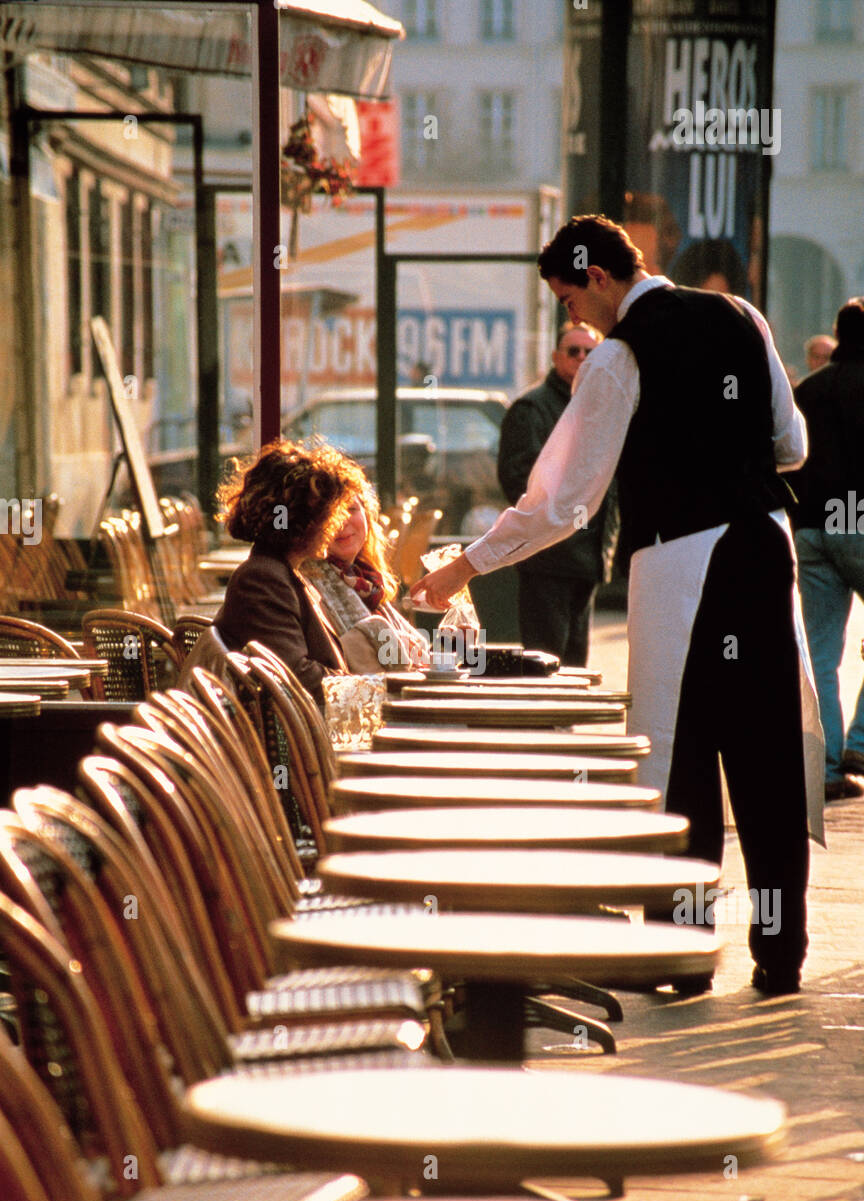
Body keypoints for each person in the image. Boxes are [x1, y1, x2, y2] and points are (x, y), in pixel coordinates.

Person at [412, 213, 823, 996]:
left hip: (678, 561)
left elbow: (562, 502)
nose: (573, 317)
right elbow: (791, 445)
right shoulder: (742, 315)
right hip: (765, 548)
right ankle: (781, 955)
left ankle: (682, 952)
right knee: (767, 754)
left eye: (570, 300)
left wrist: (464, 566)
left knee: (680, 758)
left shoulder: (619, 359)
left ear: (598, 278)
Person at [203, 440, 361, 704]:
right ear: (301, 521)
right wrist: (370, 687)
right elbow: (293, 677)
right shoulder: (264, 579)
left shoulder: (282, 572)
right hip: (291, 741)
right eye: (328, 514)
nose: (335, 525)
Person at [497, 320, 614, 665]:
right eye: (572, 351)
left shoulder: (600, 405)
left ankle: (566, 723)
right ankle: (544, 722)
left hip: (589, 559)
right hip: (548, 558)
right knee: (545, 664)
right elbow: (518, 481)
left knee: (576, 666)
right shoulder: (532, 407)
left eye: (588, 352)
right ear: (555, 356)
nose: (580, 357)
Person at [793, 298, 864, 800]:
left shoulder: (810, 389)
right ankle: (861, 740)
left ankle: (824, 770)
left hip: (812, 529)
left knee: (820, 650)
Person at [301, 492, 430, 672]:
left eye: (351, 509)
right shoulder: (308, 582)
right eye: (329, 515)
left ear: (367, 516)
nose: (343, 522)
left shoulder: (366, 579)